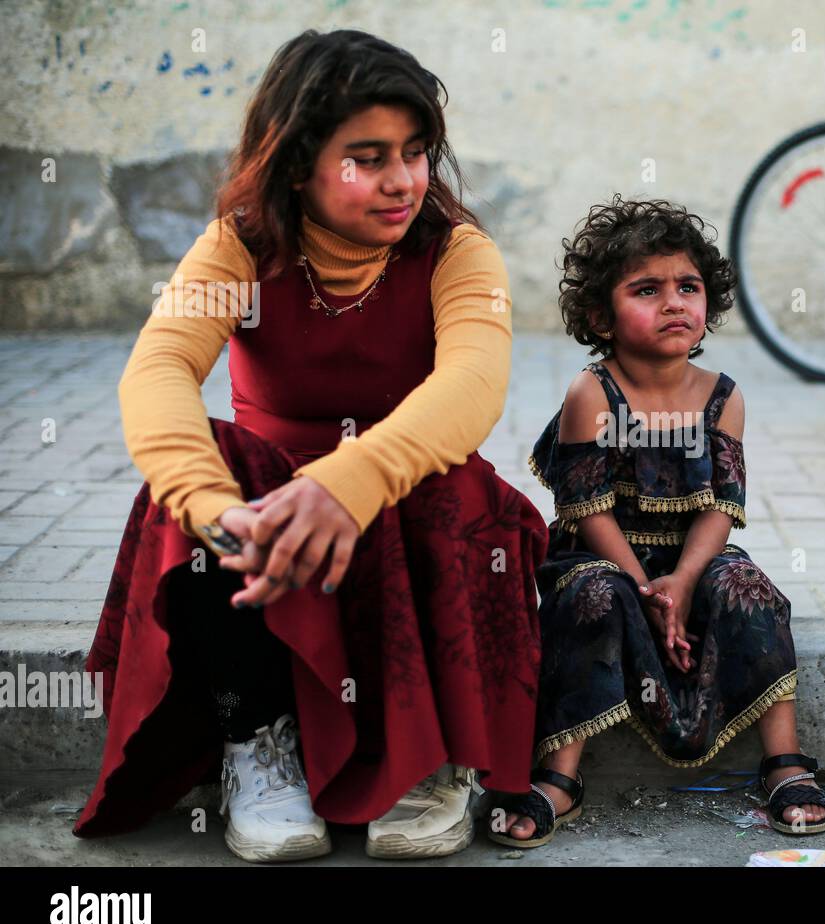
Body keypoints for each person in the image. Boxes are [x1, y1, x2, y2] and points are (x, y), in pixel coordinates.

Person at [72, 29, 549, 862]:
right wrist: (218, 509)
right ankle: (258, 744)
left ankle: (430, 762)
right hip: (272, 544)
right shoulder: (239, 246)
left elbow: (472, 388)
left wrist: (350, 481)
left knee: (455, 484)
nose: (404, 181)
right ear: (298, 165)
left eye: (417, 152)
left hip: (397, 514)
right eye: (369, 157)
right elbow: (157, 375)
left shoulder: (458, 253)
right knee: (191, 484)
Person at [487, 197, 825, 847]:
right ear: (602, 315)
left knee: (752, 591)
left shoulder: (724, 398)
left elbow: (718, 511)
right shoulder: (594, 393)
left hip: (688, 558)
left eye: (688, 287)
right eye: (647, 289)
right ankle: (559, 776)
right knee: (595, 597)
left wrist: (681, 581)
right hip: (600, 553)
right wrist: (644, 590)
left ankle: (785, 761)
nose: (674, 302)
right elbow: (586, 513)